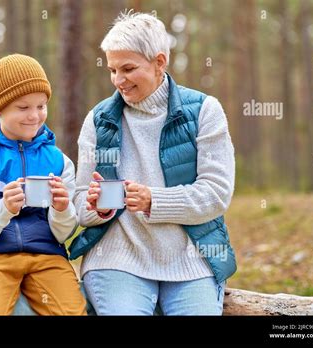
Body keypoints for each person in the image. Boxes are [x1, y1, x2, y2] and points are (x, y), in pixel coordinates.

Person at [70, 12, 237, 315]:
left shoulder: (204, 111)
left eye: (128, 68)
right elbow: (80, 201)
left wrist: (152, 200)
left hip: (191, 259)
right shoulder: (98, 120)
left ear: (160, 62)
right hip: (116, 259)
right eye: (112, 70)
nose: (118, 80)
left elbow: (215, 195)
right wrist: (98, 207)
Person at [0, 54, 86, 315]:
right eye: (23, 108)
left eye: (41, 106)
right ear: (0, 108)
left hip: (47, 256)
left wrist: (61, 209)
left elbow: (63, 233)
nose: (35, 117)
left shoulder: (59, 162)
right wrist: (3, 208)